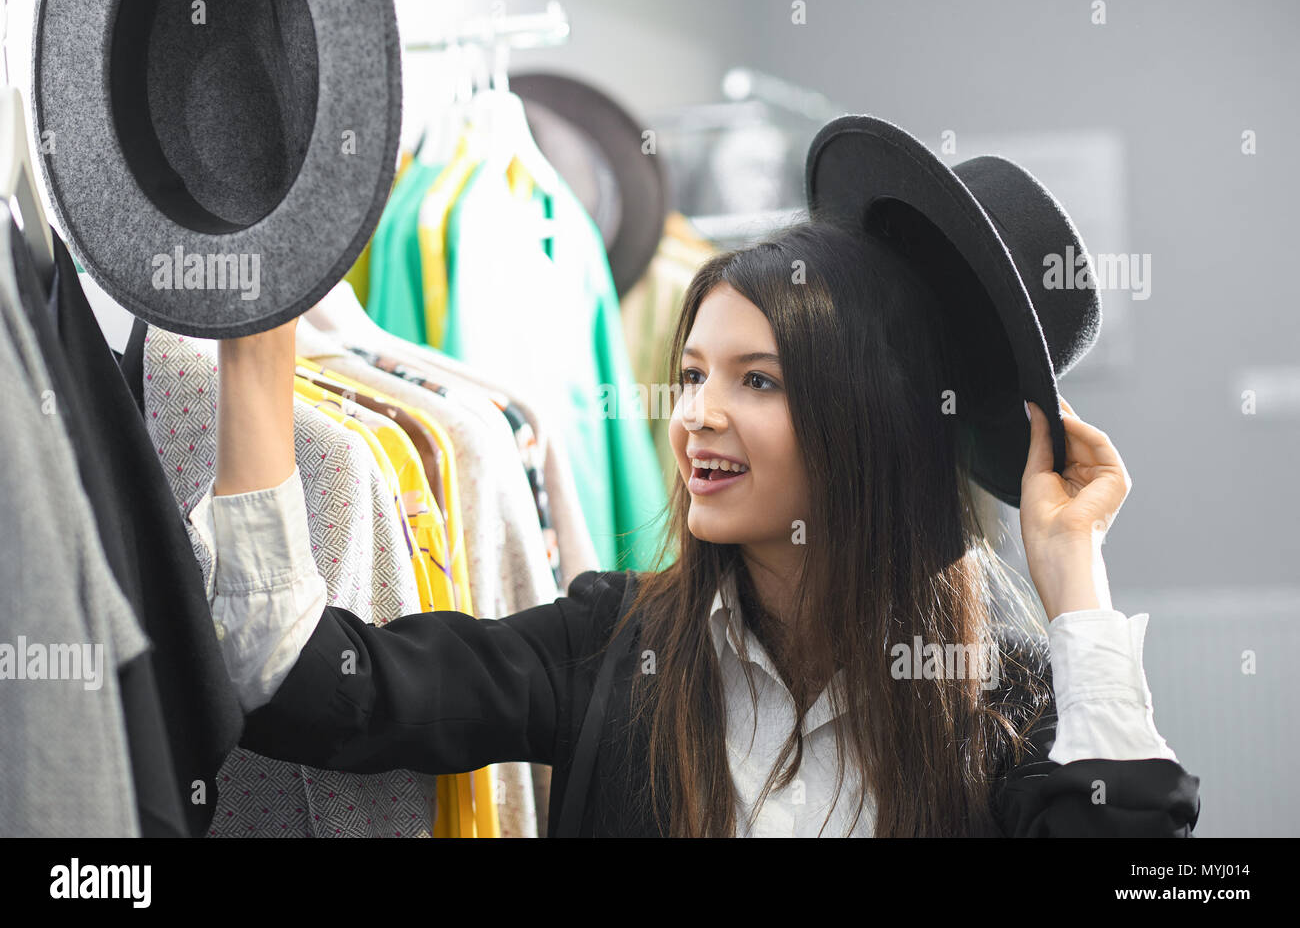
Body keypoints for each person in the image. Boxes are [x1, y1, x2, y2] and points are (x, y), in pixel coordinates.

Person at [204, 219, 1200, 837]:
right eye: (689, 376)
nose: (694, 416)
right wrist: (255, 354)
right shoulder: (610, 647)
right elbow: (307, 687)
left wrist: (1072, 568)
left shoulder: (1006, 699)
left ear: (864, 422)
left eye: (754, 379)